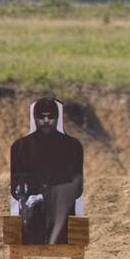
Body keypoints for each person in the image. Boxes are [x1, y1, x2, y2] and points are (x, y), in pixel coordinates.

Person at [10, 98, 83, 245]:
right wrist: (24, 196)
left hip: (60, 217)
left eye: (50, 117)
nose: (46, 120)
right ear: (35, 118)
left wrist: (44, 197)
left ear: (57, 118)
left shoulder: (71, 146)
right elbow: (16, 185)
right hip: (31, 218)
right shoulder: (21, 147)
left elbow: (75, 188)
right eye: (41, 117)